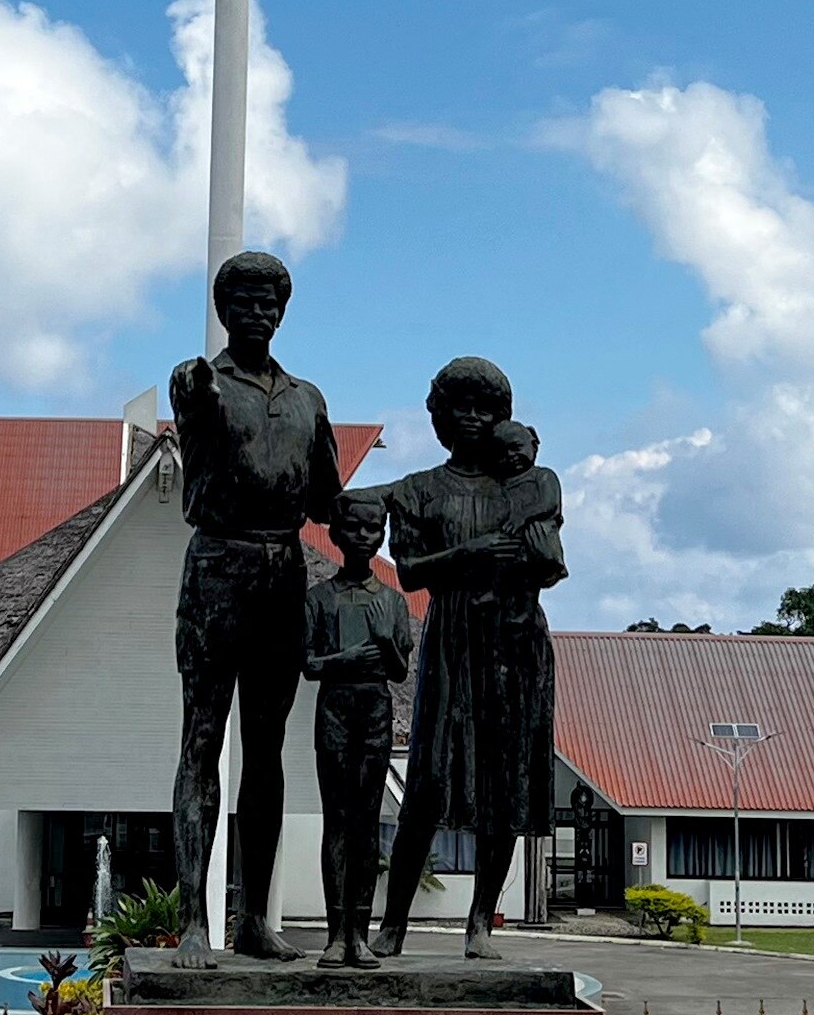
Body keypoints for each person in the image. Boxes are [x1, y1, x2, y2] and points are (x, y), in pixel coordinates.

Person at [165, 249, 342, 960]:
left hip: (282, 571)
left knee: (268, 753)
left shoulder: (306, 399)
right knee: (202, 741)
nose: (258, 313)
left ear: (283, 312)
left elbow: (330, 501)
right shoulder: (203, 382)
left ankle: (252, 921)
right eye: (244, 302)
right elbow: (192, 401)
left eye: (270, 302)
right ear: (224, 310)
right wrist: (193, 395)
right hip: (218, 565)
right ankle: (193, 923)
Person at [365, 358, 565, 959]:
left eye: (486, 409)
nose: (474, 419)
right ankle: (393, 924)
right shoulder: (424, 489)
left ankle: (480, 921)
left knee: (503, 783)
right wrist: (475, 552)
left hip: (515, 640)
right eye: (462, 408)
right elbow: (409, 572)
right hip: (452, 637)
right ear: (441, 417)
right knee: (426, 779)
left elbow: (549, 562)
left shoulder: (524, 481)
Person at [299, 501, 415, 971]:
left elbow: (401, 668)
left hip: (374, 709)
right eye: (356, 527)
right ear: (338, 535)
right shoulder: (319, 599)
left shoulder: (391, 601)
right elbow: (309, 665)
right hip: (335, 707)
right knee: (337, 821)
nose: (366, 536)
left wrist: (382, 648)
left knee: (367, 824)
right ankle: (335, 933)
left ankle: (360, 935)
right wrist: (349, 659)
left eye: (374, 528)